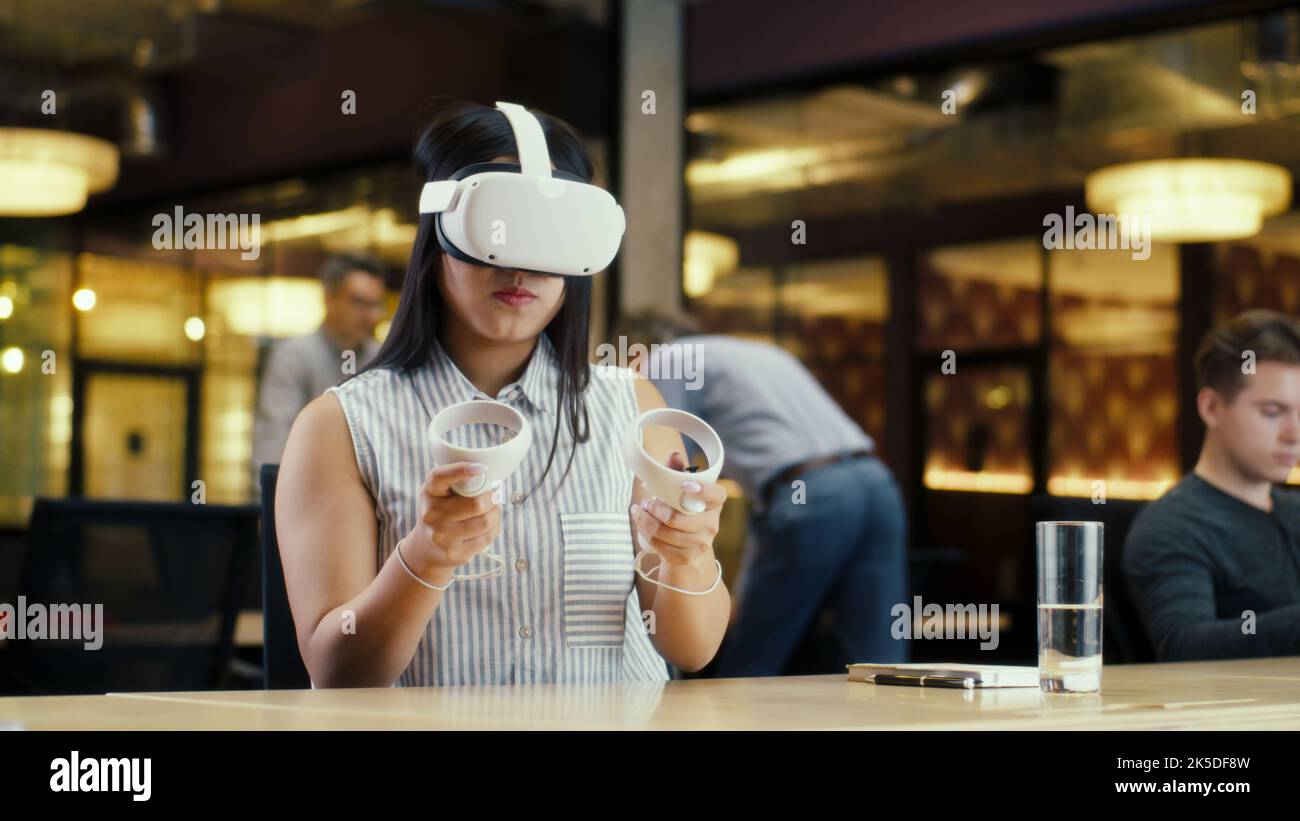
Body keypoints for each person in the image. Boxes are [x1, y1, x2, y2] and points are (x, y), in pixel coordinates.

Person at [275, 101, 730, 688]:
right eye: (497, 226)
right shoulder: (340, 425)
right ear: (438, 231)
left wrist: (687, 557)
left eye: (549, 235)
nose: (521, 264)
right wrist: (426, 556)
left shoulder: (632, 405)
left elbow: (692, 651)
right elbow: (336, 671)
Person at [614, 310, 908, 676]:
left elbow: (671, 464)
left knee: (758, 644)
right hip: (876, 481)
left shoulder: (670, 359)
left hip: (810, 492)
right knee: (877, 650)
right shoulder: (763, 353)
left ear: (638, 349)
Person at [1124, 309, 1300, 660]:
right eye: (1272, 412)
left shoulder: (1294, 511)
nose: (1293, 434)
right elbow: (1183, 645)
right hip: (1247, 714)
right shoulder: (1173, 526)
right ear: (1212, 407)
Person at [250, 253, 387, 489]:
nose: (370, 316)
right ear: (328, 298)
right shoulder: (294, 355)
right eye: (358, 302)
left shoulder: (382, 359)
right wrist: (270, 502)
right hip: (305, 493)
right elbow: (274, 437)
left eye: (375, 305)